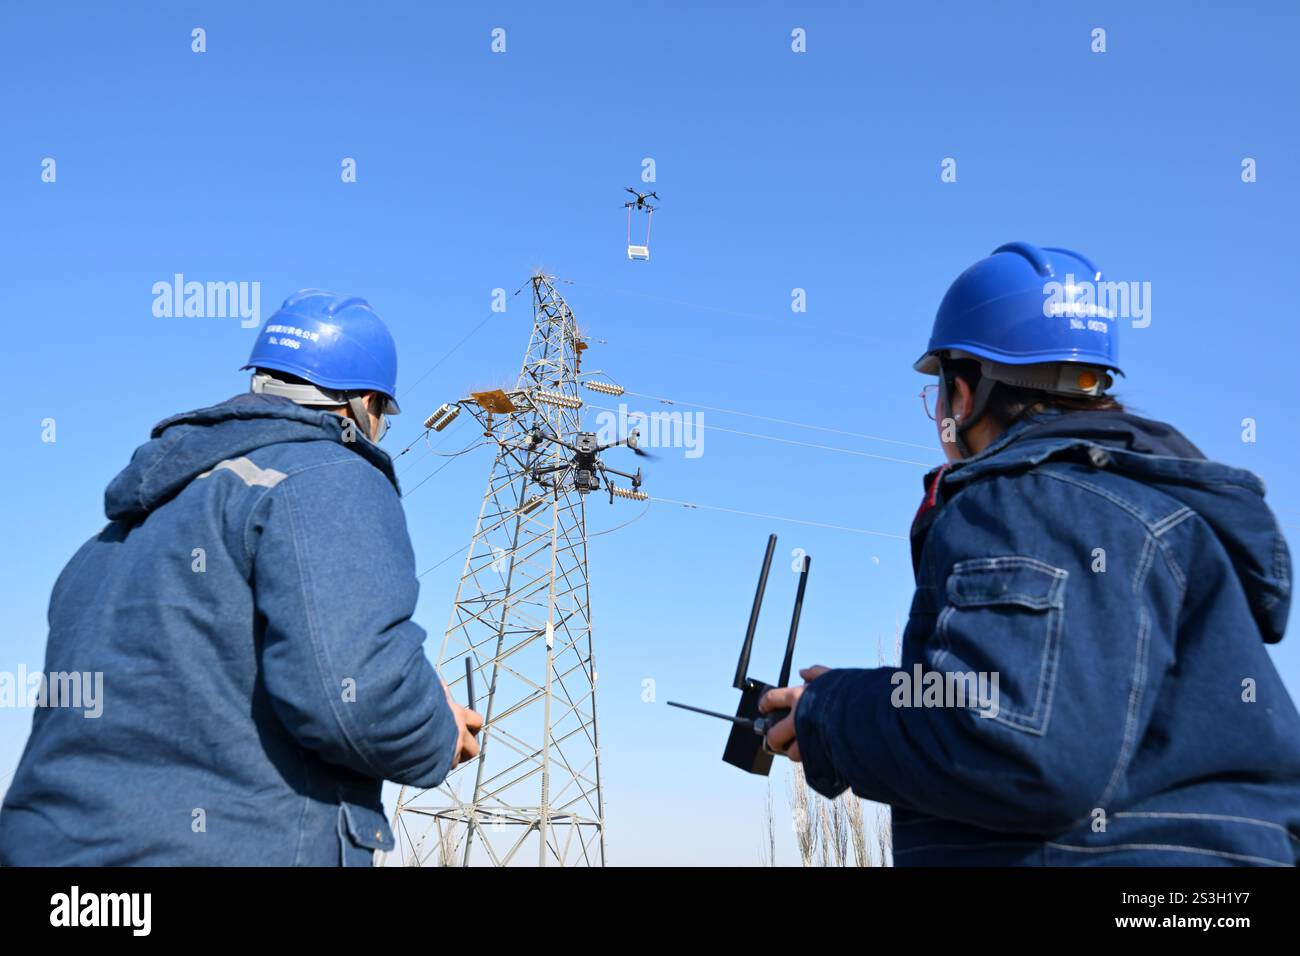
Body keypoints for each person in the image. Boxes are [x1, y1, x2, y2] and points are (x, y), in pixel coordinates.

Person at [760, 242, 1300, 866]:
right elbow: (1044, 705)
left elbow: (1017, 739)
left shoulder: (1030, 498)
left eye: (938, 395)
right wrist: (876, 702)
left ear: (964, 396)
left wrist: (836, 713)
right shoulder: (1156, 509)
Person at [0, 290, 481, 866]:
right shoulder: (329, 475)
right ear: (366, 402)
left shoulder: (119, 534)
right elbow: (359, 694)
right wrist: (437, 731)